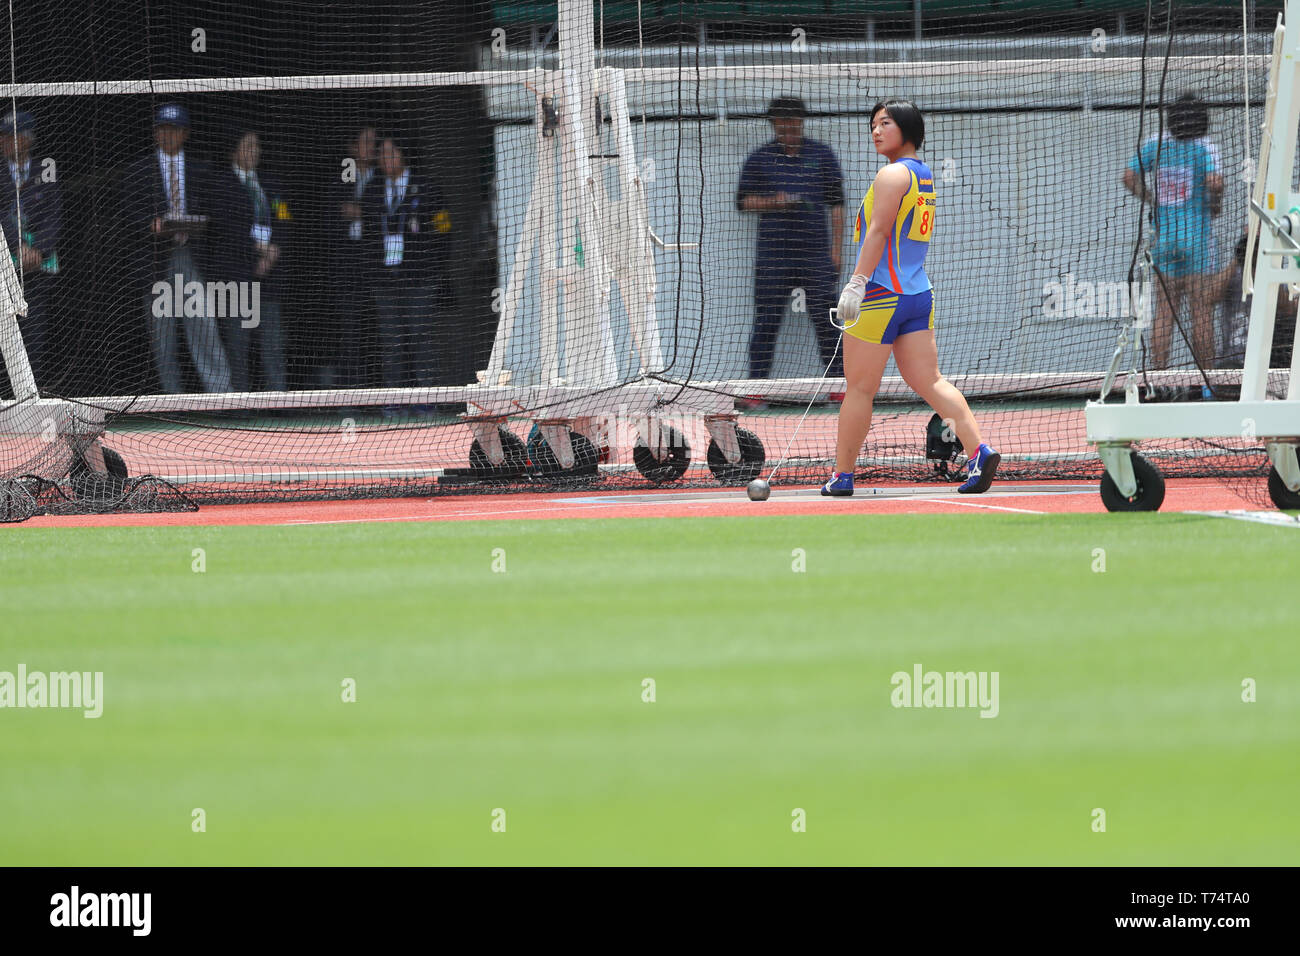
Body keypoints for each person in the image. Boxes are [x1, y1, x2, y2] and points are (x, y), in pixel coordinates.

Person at [825, 99, 998, 497]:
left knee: (859, 389)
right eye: (872, 124)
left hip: (881, 296)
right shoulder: (923, 174)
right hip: (918, 294)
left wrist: (856, 283)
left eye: (885, 123)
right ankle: (978, 451)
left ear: (908, 128)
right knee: (931, 382)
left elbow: (879, 233)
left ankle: (842, 476)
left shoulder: (890, 176)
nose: (876, 130)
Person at [736, 96, 846, 381]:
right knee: (766, 320)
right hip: (774, 255)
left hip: (815, 254)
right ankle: (756, 387)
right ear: (774, 124)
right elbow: (743, 202)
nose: (788, 126)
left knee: (829, 320)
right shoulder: (760, 158)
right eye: (782, 121)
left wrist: (836, 251)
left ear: (801, 122)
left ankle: (838, 384)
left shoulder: (821, 155)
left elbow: (837, 204)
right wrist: (775, 202)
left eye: (793, 121)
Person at [126, 102, 231, 393]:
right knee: (163, 337)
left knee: (204, 328)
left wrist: (198, 223)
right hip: (155, 259)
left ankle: (223, 400)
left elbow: (217, 213)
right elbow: (126, 214)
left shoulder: (202, 169)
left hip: (190, 256)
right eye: (161, 129)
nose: (166, 135)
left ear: (185, 133)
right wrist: (151, 225)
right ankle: (173, 402)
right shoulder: (139, 170)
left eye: (173, 130)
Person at [1122, 93, 1224, 385]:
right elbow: (1215, 182)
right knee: (1201, 311)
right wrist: (1215, 204)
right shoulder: (1205, 147)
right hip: (1197, 241)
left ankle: (1158, 381)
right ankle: (1208, 384)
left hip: (1164, 240)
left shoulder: (1155, 144)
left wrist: (1152, 199)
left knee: (1164, 313)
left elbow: (1128, 176)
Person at [363, 136, 452, 401]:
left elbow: (444, 230)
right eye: (381, 153)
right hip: (384, 279)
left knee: (420, 337)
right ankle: (394, 400)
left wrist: (434, 267)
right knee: (391, 342)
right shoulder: (373, 189)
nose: (385, 158)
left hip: (420, 277)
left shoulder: (426, 187)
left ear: (404, 155)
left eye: (391, 152)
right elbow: (367, 234)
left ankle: (426, 399)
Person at [210, 130, 288, 391]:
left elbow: (284, 220)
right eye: (247, 145)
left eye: (257, 145)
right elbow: (224, 228)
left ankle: (279, 400)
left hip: (269, 276)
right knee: (237, 343)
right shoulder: (221, 184)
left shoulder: (272, 182)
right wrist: (255, 251)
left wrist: (273, 251)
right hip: (236, 275)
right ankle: (240, 403)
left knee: (273, 341)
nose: (254, 151)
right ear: (233, 151)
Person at [0, 109, 61, 388]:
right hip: (4, 265)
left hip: (39, 266)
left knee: (36, 333)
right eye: (4, 137)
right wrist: (18, 246)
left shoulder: (45, 169)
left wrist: (38, 250)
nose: (8, 142)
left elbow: (55, 215)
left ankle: (32, 396)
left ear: (28, 139)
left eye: (14, 137)